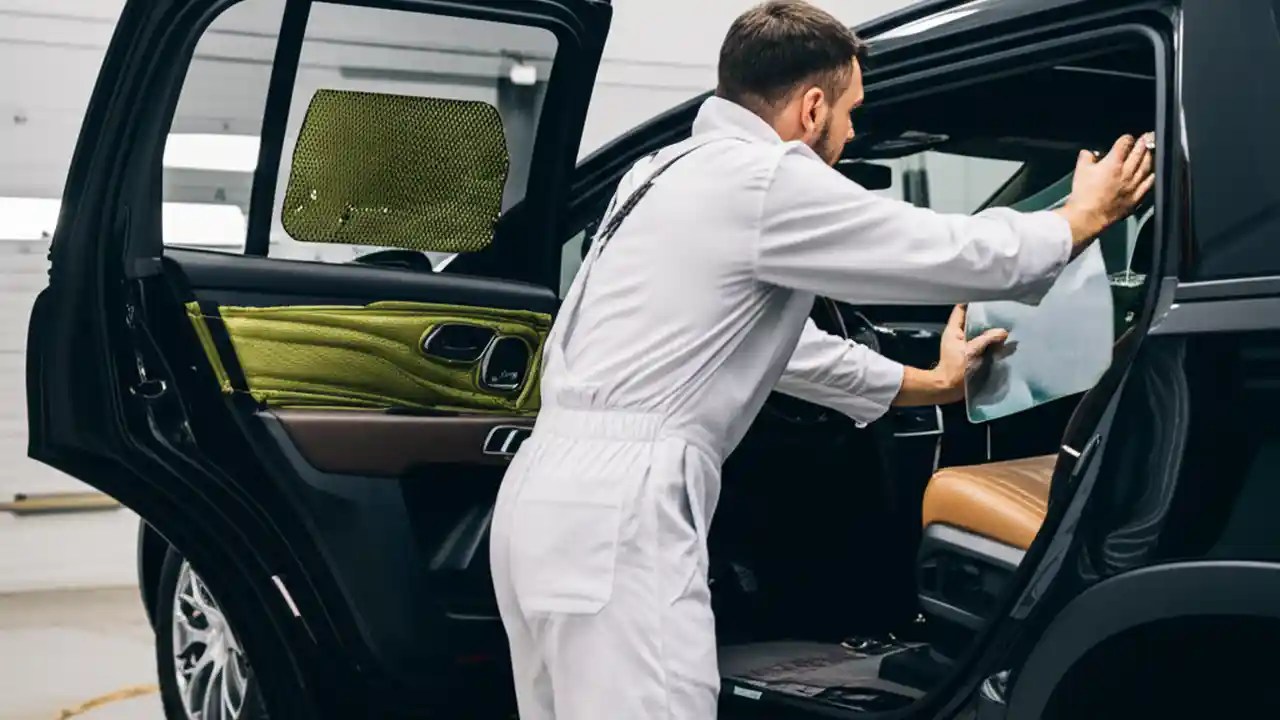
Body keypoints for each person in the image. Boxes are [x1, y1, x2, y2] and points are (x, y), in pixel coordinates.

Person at [489, 1, 1155, 718]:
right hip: (620, 513)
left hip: (540, 501)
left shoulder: (657, 172)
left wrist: (927, 382)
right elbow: (948, 251)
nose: (851, 132)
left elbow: (778, 349)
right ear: (812, 108)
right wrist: (1081, 218)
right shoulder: (765, 179)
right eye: (851, 113)